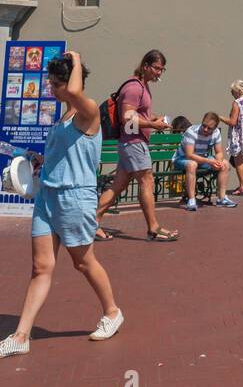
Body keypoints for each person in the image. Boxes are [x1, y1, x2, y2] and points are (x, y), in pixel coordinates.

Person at [1, 52, 123, 360]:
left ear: (70, 81)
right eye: (51, 84)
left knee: (83, 262)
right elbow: (65, 154)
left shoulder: (89, 111)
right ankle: (21, 335)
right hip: (48, 196)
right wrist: (42, 162)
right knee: (40, 267)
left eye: (56, 84)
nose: (52, 90)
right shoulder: (65, 117)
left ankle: (112, 312)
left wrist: (78, 59)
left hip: (75, 197)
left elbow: (73, 93)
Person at [95, 49, 177, 242]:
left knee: (118, 186)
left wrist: (153, 118)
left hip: (130, 143)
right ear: (146, 66)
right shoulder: (134, 88)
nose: (159, 73)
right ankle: (153, 228)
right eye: (157, 68)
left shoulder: (142, 86)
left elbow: (136, 114)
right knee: (146, 181)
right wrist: (152, 124)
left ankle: (90, 224)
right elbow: (127, 118)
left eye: (162, 69)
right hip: (133, 142)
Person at [174, 112, 235, 209]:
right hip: (182, 159)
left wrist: (218, 162)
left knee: (225, 164)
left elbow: (219, 152)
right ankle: (191, 200)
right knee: (192, 164)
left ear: (215, 128)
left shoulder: (216, 133)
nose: (205, 129)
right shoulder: (192, 131)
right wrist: (209, 161)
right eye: (204, 126)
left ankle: (221, 199)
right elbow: (189, 155)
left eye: (209, 128)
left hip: (202, 159)